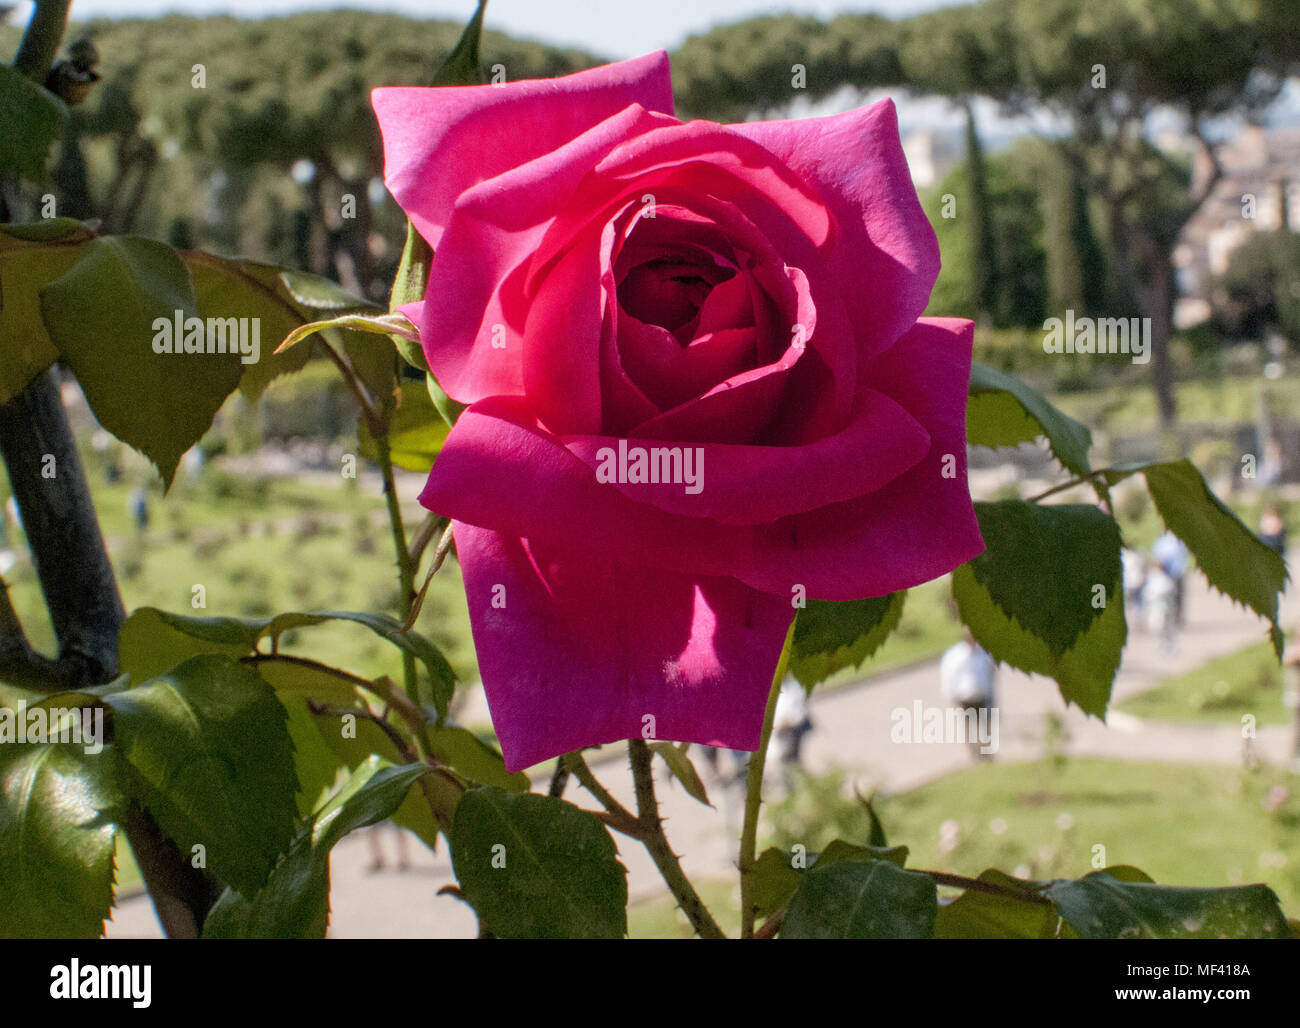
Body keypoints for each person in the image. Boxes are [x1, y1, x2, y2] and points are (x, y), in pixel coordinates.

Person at [940, 632, 996, 761]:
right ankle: (974, 754)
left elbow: (991, 674)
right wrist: (950, 693)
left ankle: (986, 753)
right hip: (964, 697)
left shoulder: (984, 654)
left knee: (984, 725)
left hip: (981, 695)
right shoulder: (955, 655)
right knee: (969, 727)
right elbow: (949, 675)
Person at [772, 677, 814, 790]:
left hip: (794, 732)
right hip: (779, 734)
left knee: (795, 762)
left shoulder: (794, 687)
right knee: (785, 764)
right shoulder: (771, 689)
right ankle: (791, 789)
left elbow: (799, 711)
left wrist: (788, 722)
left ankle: (805, 787)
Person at [1152, 530, 1189, 627]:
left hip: (1178, 573)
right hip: (1167, 574)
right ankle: (1169, 616)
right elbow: (1157, 558)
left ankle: (1177, 616)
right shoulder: (1161, 542)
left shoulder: (1179, 543)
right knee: (1168, 596)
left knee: (1178, 596)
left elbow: (1184, 556)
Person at [1142, 559, 1177, 654]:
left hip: (1163, 607)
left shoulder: (1163, 579)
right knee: (1159, 627)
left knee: (1164, 627)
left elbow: (1167, 591)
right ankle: (1164, 645)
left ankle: (1167, 646)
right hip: (1157, 607)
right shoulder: (1155, 578)